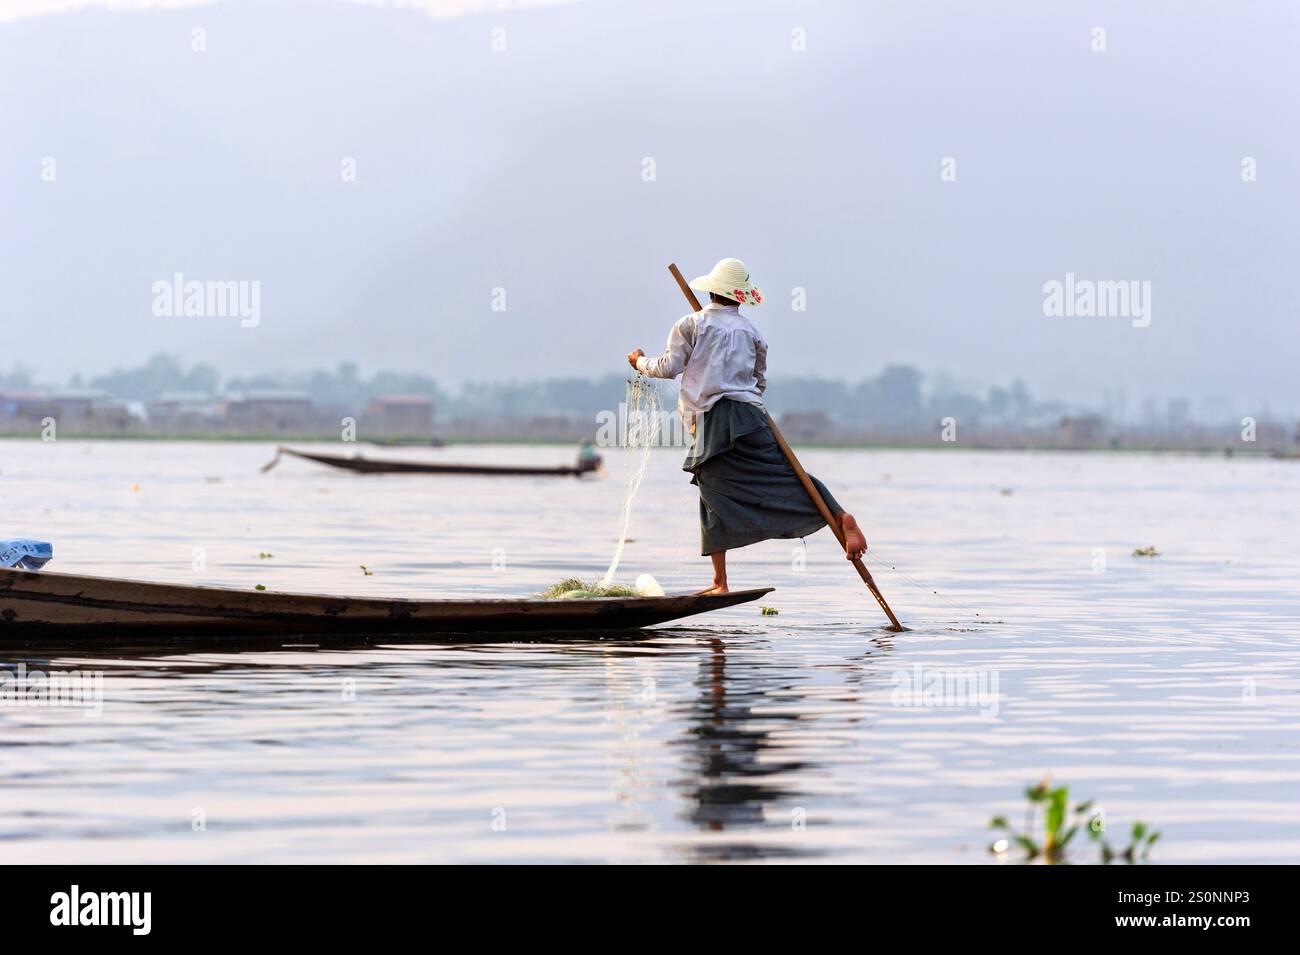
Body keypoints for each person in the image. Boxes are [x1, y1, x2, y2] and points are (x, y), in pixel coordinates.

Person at [627, 258, 867, 595]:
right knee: (785, 473)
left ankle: (719, 581)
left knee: (711, 490)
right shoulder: (752, 332)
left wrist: (639, 362)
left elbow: (669, 368)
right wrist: (744, 399)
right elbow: (759, 380)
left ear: (711, 290)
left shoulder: (691, 325)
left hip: (714, 418)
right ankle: (840, 516)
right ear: (740, 298)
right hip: (750, 414)